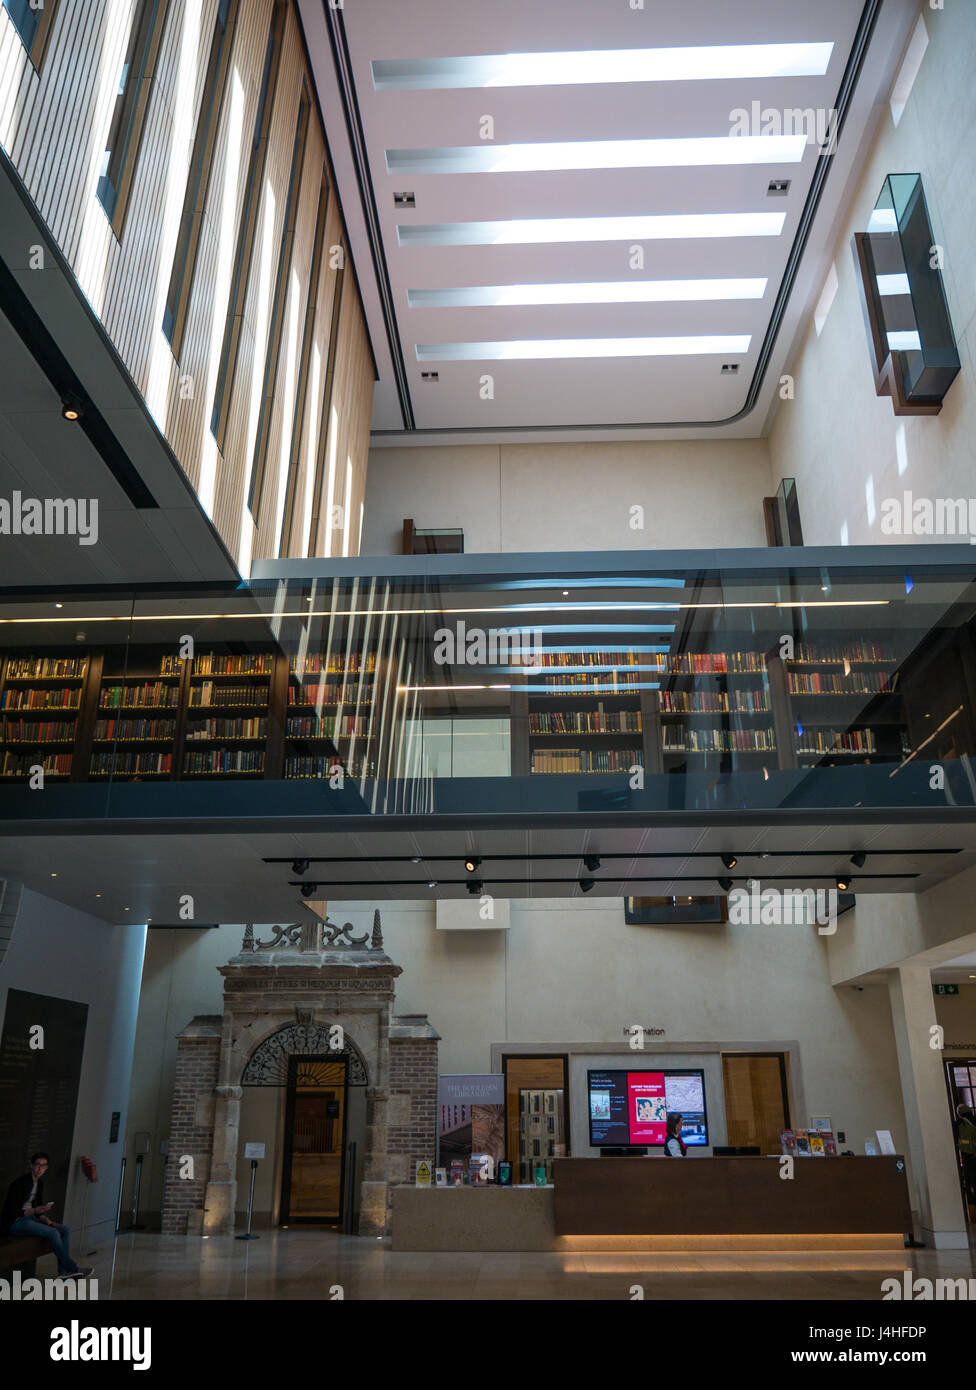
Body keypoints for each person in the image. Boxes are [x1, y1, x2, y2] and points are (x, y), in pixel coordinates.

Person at [1, 1153, 92, 1278]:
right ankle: (73, 1268)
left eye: (43, 1165)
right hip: (16, 1222)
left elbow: (38, 1212)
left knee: (65, 1230)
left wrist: (47, 1220)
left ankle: (63, 1272)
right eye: (37, 1165)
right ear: (31, 1165)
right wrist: (35, 1210)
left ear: (46, 1168)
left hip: (31, 1219)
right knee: (53, 1233)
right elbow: (12, 1212)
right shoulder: (19, 1184)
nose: (40, 1168)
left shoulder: (40, 1184)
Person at [954, 1104, 976, 1216]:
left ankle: (972, 1212)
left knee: (972, 1183)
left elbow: (955, 1139)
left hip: (968, 1157)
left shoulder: (958, 1124)